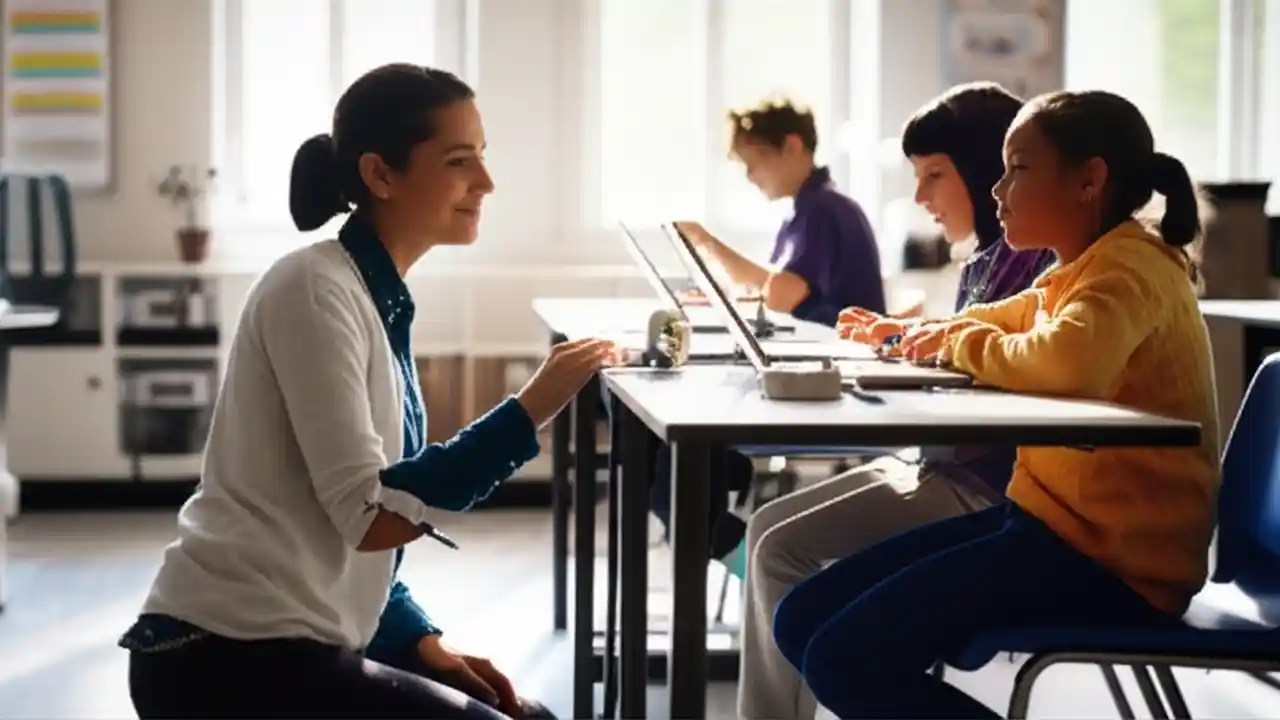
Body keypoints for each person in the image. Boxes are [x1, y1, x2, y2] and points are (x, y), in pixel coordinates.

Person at [119, 64, 616, 719]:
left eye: (482, 156)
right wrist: (532, 408)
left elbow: (344, 534)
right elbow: (370, 516)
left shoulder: (368, 295)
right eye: (459, 161)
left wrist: (422, 642)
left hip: (291, 643)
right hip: (220, 655)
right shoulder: (313, 289)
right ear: (381, 175)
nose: (486, 182)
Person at [772, 89, 1220, 719]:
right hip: (1050, 528)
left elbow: (1066, 361)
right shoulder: (1078, 269)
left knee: (842, 658)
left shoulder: (1132, 266)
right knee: (802, 617)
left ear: (1089, 180)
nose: (998, 189)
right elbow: (1001, 317)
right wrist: (913, 334)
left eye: (1019, 169)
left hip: (1117, 563)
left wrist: (957, 344)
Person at [737, 82, 1055, 720]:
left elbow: (1009, 375)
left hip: (987, 485)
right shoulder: (984, 263)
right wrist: (905, 349)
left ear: (982, 171)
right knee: (765, 528)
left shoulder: (1035, 266)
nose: (920, 198)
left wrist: (927, 356)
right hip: (945, 463)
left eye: (934, 175)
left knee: (777, 551)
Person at [675, 98, 885, 326]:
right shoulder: (800, 214)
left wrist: (710, 244)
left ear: (791, 146)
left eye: (754, 163)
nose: (750, 176)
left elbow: (782, 294)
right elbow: (772, 288)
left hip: (841, 343)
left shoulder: (823, 210)